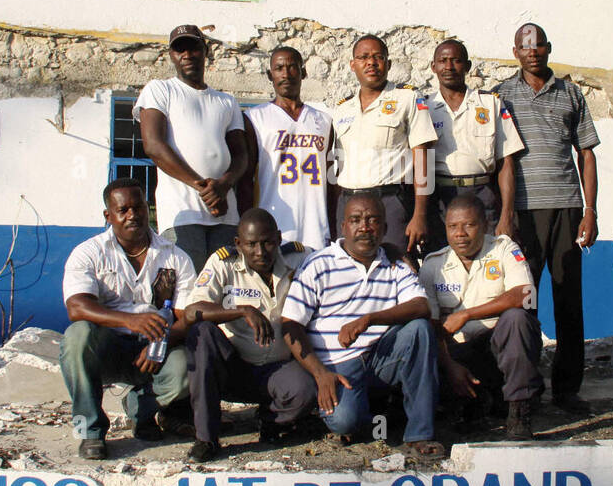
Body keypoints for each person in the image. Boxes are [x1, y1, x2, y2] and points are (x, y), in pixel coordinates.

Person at [280, 192, 444, 457]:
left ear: (385, 228)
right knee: (346, 422)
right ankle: (373, 411)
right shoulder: (318, 264)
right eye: (355, 220)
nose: (364, 227)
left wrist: (369, 320)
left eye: (373, 220)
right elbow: (290, 325)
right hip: (337, 366)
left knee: (419, 330)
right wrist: (320, 374)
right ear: (343, 227)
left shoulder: (394, 265)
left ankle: (419, 434)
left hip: (381, 358)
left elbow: (421, 306)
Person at [494, 22, 599, 415]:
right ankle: (527, 390)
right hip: (521, 213)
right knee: (525, 302)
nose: (532, 51)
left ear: (549, 49)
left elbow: (586, 154)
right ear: (515, 52)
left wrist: (590, 211)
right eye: (525, 46)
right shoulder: (501, 96)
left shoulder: (571, 94)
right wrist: (504, 216)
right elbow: (498, 159)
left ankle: (568, 391)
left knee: (569, 300)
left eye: (538, 45)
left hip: (568, 210)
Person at [59, 178, 195, 460]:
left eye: (139, 207)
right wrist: (129, 320)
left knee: (184, 369)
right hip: (109, 347)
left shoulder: (175, 256)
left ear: (148, 209)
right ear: (108, 216)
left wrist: (164, 341)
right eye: (123, 210)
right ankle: (91, 431)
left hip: (155, 348)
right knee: (76, 336)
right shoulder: (89, 253)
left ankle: (143, 412)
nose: (132, 215)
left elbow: (185, 315)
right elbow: (77, 306)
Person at [182, 208, 318, 462]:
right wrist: (241, 310)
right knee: (202, 333)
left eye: (267, 242)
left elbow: (337, 262)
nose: (260, 252)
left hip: (280, 367)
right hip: (234, 368)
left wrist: (391, 250)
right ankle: (206, 438)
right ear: (238, 243)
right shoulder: (223, 262)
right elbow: (193, 310)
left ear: (278, 238)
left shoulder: (300, 257)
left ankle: (270, 421)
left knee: (305, 391)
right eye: (251, 244)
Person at [420, 194, 543, 439]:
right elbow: (431, 326)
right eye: (452, 226)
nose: (460, 234)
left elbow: (525, 294)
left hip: (499, 350)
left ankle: (519, 412)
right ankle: (477, 404)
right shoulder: (433, 264)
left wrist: (466, 314)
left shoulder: (504, 248)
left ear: (485, 224)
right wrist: (450, 366)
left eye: (469, 225)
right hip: (458, 357)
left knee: (517, 319)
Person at [134, 24, 248, 272]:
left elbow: (241, 155)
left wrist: (223, 185)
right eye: (179, 49)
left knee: (225, 290)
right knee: (188, 292)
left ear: (205, 51)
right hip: (183, 214)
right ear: (172, 55)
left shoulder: (226, 101)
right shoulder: (160, 90)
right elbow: (154, 146)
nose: (187, 54)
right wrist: (205, 189)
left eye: (193, 47)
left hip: (225, 214)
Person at [329, 35, 437, 254]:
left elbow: (423, 158)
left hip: (390, 203)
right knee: (348, 271)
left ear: (388, 64)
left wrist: (420, 215)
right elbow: (336, 166)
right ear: (353, 64)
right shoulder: (342, 109)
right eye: (364, 57)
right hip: (349, 203)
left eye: (378, 57)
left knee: (395, 264)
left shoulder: (407, 98)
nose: (371, 62)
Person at [425, 39, 524, 251]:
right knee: (442, 264)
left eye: (456, 61)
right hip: (440, 198)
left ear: (467, 66)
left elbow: (506, 161)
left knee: (488, 261)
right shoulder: (424, 108)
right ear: (433, 67)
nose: (449, 67)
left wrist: (507, 214)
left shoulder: (490, 104)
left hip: (482, 195)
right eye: (442, 61)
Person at [240, 46, 333, 250]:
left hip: (316, 226)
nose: (286, 73)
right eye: (279, 68)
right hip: (272, 225)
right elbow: (245, 179)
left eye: (292, 67)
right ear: (269, 74)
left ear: (303, 72)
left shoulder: (324, 120)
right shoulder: (255, 118)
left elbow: (332, 178)